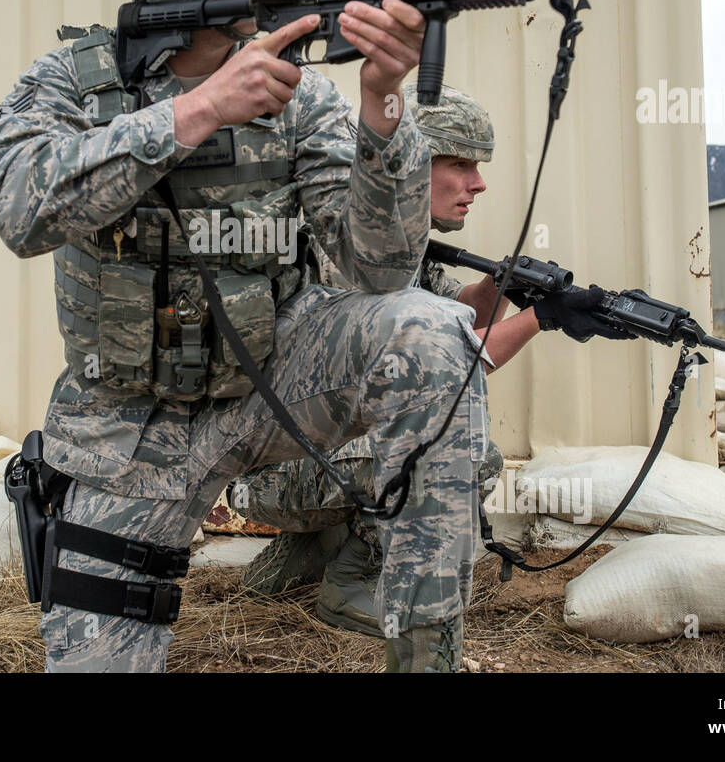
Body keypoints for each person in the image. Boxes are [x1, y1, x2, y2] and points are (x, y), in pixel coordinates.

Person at [0, 0, 581, 672]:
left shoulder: (300, 103)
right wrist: (194, 113)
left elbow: (376, 269)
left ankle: (423, 653)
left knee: (435, 333)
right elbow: (18, 206)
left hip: (272, 383)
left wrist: (382, 109)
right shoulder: (74, 84)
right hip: (130, 424)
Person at [231, 83, 627, 635]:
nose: (478, 183)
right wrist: (545, 318)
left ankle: (305, 556)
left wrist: (505, 285)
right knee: (462, 451)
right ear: (407, 164)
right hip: (264, 475)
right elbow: (443, 360)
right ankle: (350, 584)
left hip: (307, 456)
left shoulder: (400, 246)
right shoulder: (343, 249)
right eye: (461, 163)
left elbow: (454, 313)